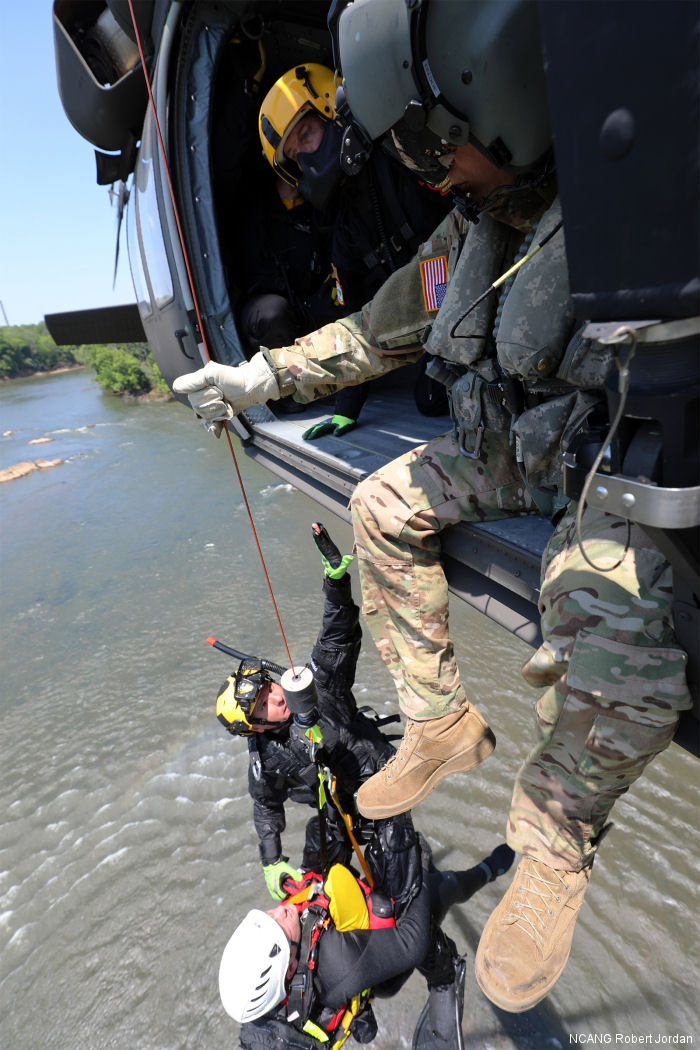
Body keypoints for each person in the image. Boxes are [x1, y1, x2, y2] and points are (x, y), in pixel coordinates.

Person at [174, 0, 693, 1015]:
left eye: (437, 146)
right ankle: (439, 720)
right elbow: (374, 336)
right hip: (506, 447)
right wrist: (261, 377)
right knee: (378, 506)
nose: (424, 172)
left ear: (497, 111)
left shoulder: (618, 191)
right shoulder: (472, 226)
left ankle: (550, 840)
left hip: (602, 459)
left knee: (601, 605)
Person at [255, 62, 450, 437]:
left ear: (331, 109)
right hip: (431, 327)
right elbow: (353, 319)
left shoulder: (403, 157)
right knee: (432, 398)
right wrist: (346, 408)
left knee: (437, 397)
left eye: (306, 134)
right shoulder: (342, 225)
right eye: (296, 157)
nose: (307, 157)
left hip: (468, 304)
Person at [219, 813, 515, 1049]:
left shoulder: (253, 1011)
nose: (280, 910)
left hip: (345, 949)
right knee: (443, 888)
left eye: (269, 915)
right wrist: (419, 869)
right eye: (280, 926)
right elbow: (411, 943)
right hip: (379, 970)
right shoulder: (336, 963)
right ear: (291, 966)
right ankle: (488, 871)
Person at [215, 522, 397, 893]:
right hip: (332, 807)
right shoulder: (265, 757)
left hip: (386, 779)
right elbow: (265, 804)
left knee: (399, 875)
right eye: (265, 705)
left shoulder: (317, 686)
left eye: (269, 688)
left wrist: (335, 582)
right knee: (320, 882)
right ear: (256, 728)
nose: (278, 696)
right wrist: (271, 860)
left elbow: (337, 635)